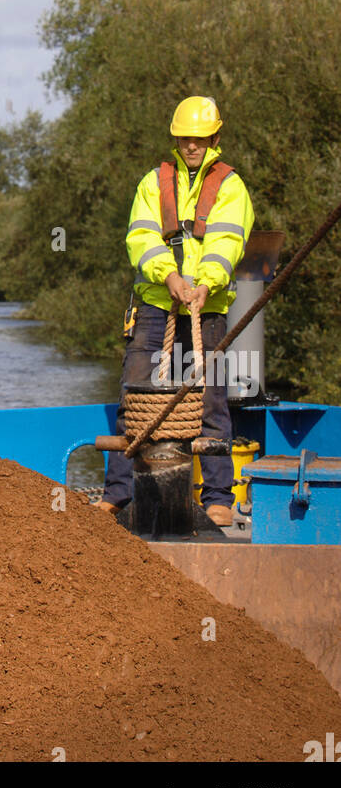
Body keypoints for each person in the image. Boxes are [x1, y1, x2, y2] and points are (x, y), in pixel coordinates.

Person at [96, 96, 255, 526]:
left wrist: (203, 285)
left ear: (215, 138)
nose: (192, 145)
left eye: (201, 139)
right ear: (176, 138)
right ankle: (120, 494)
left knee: (211, 402)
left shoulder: (231, 187)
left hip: (208, 308)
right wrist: (169, 277)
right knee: (136, 400)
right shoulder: (153, 182)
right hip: (154, 306)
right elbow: (141, 238)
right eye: (186, 138)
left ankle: (218, 495)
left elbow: (228, 243)